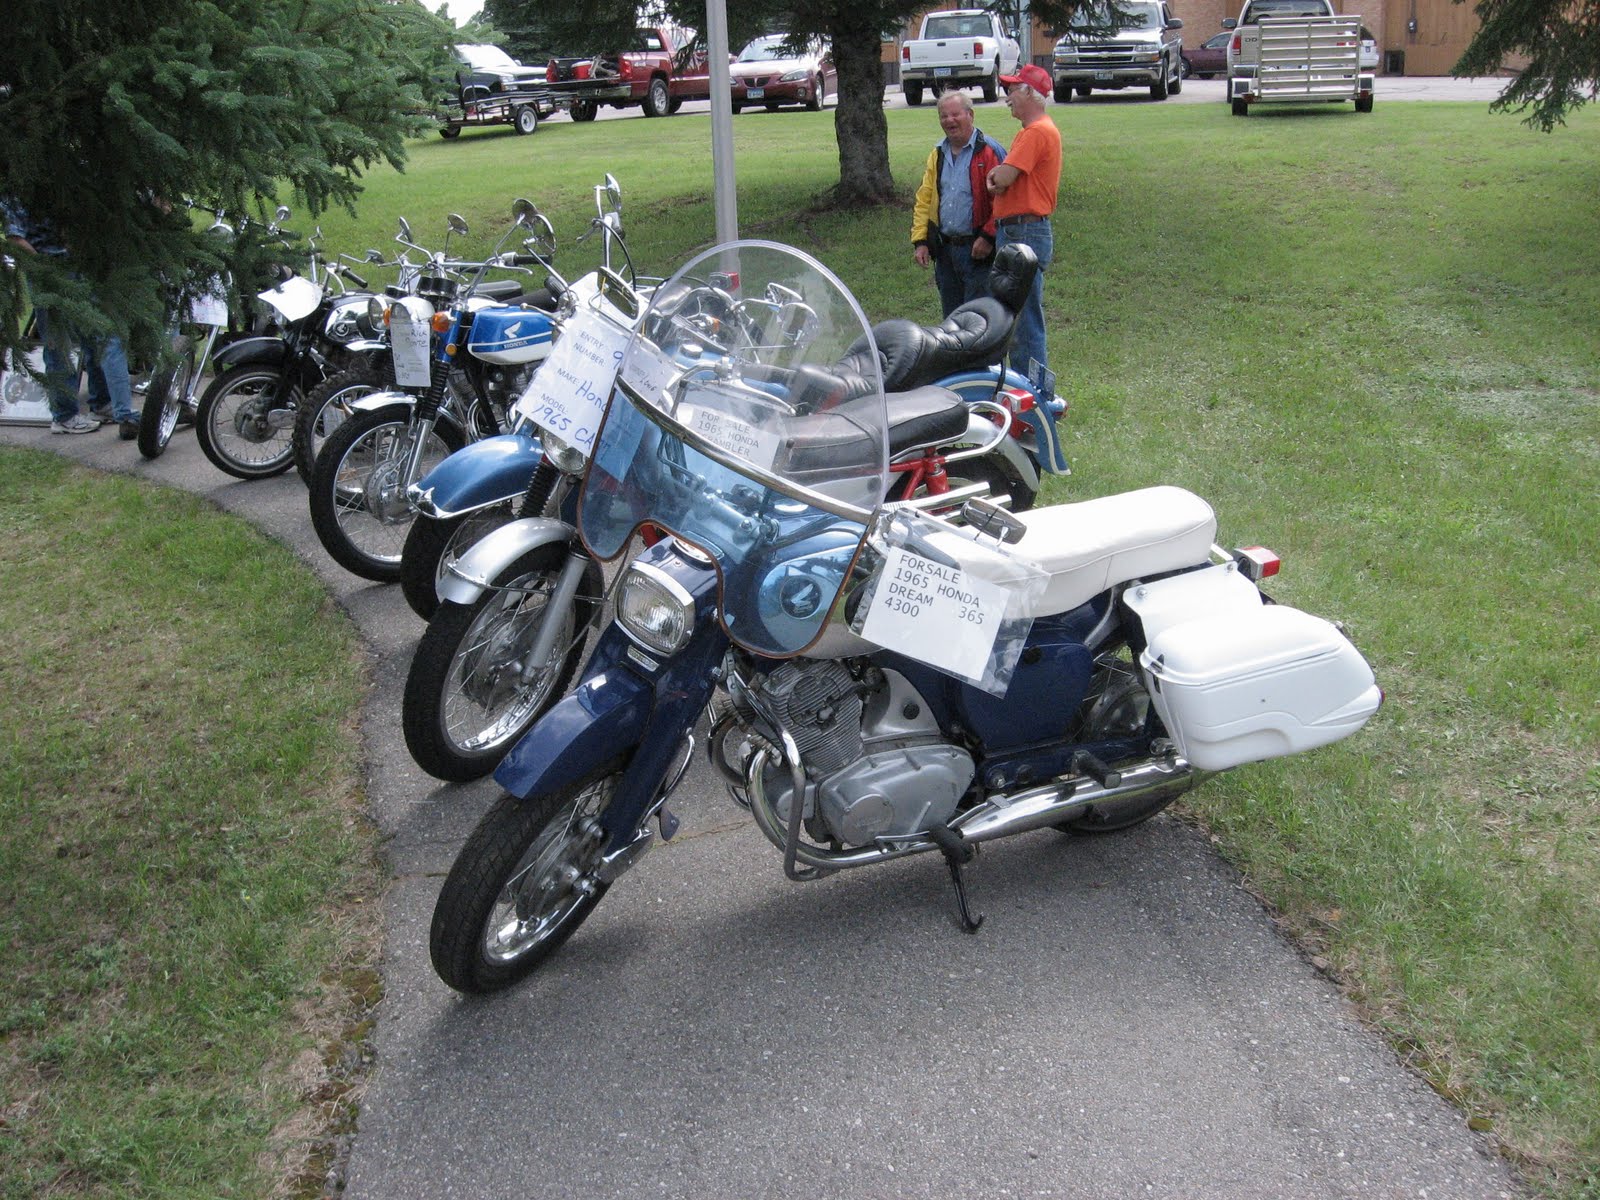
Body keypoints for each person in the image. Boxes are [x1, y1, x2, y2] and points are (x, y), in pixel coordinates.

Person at [2, 198, 139, 437]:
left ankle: (102, 403)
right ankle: (64, 416)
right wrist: (45, 270)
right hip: (50, 270)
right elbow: (15, 239)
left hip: (76, 265)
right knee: (59, 343)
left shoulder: (57, 177)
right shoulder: (18, 189)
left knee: (96, 335)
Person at [984, 62, 1061, 387]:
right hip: (1019, 230)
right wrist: (997, 179)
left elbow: (1001, 177)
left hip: (1024, 232)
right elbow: (999, 180)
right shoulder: (1030, 132)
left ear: (1030, 92)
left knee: (1025, 323)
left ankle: (1036, 398)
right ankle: (1022, 391)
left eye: (1012, 90)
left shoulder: (1036, 132)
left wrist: (997, 178)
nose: (1007, 97)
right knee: (1016, 318)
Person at [910, 91, 1006, 317]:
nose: (949, 121)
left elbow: (1005, 200)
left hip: (978, 251)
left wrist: (988, 237)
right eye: (943, 116)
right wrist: (921, 241)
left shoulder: (989, 151)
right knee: (952, 322)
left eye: (955, 114)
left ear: (970, 115)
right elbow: (925, 198)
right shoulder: (938, 153)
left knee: (980, 321)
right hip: (945, 252)